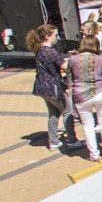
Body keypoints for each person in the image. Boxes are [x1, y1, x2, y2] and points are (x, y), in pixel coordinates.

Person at [65, 34, 102, 162]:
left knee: (88, 125)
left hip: (80, 95)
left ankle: (94, 154)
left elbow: (69, 79)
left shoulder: (72, 59)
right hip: (100, 92)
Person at [30, 25, 69, 153]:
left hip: (42, 87)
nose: (57, 38)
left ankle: (53, 141)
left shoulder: (40, 50)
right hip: (53, 88)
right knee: (68, 111)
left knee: (53, 113)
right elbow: (64, 66)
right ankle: (73, 140)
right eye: (55, 35)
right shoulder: (50, 51)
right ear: (47, 36)